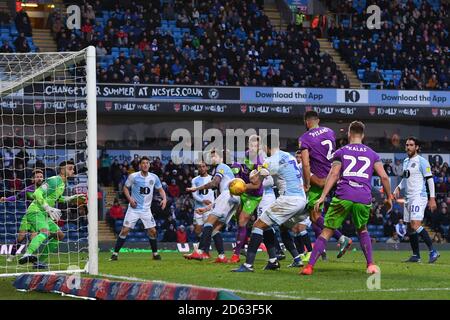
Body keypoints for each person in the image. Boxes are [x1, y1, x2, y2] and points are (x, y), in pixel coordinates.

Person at [301, 121, 393, 275]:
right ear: (363, 135)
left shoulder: (341, 152)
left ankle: (309, 267)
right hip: (363, 196)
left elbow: (334, 174)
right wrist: (389, 197)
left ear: (349, 134)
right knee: (362, 230)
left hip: (344, 195)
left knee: (327, 231)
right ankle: (370, 264)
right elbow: (384, 177)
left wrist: (323, 196)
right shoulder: (372, 153)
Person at [232, 134, 307, 272]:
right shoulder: (289, 156)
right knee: (278, 227)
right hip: (302, 200)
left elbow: (256, 183)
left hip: (288, 200)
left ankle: (248, 265)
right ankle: (281, 259)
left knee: (257, 225)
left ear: (265, 146)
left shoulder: (270, 161)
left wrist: (241, 185)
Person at [299, 111, 352, 258]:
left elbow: (305, 164)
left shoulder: (305, 138)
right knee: (314, 216)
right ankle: (321, 250)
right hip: (332, 175)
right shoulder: (330, 131)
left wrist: (308, 183)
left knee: (315, 216)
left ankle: (341, 238)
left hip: (319, 179)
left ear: (306, 121)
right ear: (318, 120)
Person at [18, 161, 85, 268]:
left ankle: (38, 262)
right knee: (45, 231)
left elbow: (58, 198)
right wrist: (47, 207)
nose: (73, 171)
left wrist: (72, 198)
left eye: (73, 169)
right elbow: (37, 193)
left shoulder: (63, 183)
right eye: (70, 168)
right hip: (35, 210)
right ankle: (27, 254)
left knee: (59, 235)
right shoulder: (54, 180)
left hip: (44, 213)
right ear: (62, 169)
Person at [184, 149, 240, 263]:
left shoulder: (221, 166)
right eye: (211, 157)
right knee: (215, 229)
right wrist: (206, 208)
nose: (212, 158)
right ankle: (222, 256)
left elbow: (214, 184)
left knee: (208, 223)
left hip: (228, 195)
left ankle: (199, 252)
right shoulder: (219, 170)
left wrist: (196, 188)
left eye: (214, 156)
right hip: (233, 199)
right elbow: (219, 198)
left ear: (221, 158)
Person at [110, 156, 167, 261]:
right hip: (134, 209)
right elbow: (125, 188)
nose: (145, 165)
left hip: (146, 210)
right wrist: (130, 199)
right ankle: (115, 254)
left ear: (149, 165)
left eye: (147, 163)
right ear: (140, 165)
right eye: (143, 163)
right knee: (125, 230)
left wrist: (164, 199)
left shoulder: (154, 177)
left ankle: (155, 254)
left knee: (153, 231)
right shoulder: (133, 176)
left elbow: (160, 190)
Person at [393, 137, 439, 263]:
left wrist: (432, 198)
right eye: (407, 145)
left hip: (419, 196)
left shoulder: (422, 161)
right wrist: (398, 187)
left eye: (411, 145)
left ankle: (433, 251)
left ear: (417, 147)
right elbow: (405, 179)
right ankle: (416, 256)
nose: (408, 147)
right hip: (408, 198)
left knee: (415, 224)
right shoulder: (406, 161)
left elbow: (430, 180)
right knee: (409, 227)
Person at [230, 135, 265, 263]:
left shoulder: (259, 163)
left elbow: (256, 185)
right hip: (243, 193)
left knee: (242, 221)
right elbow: (236, 175)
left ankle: (236, 254)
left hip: (254, 196)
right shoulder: (242, 158)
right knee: (239, 223)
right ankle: (241, 247)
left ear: (259, 147)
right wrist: (236, 177)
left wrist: (241, 186)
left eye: (256, 146)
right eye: (251, 145)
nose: (253, 148)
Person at [1, 169, 43, 264]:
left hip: (39, 217)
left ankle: (30, 258)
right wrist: (6, 199)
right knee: (21, 237)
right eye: (37, 177)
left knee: (33, 238)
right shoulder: (28, 189)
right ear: (33, 179)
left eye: (41, 177)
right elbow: (17, 197)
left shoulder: (46, 190)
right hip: (28, 216)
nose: (39, 178)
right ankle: (11, 255)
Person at [190, 161, 215, 243]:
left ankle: (204, 249)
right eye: (200, 167)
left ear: (207, 167)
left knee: (208, 229)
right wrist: (202, 200)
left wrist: (213, 203)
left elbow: (216, 193)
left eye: (203, 166)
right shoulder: (195, 180)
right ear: (198, 168)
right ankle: (201, 247)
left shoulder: (212, 179)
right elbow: (194, 194)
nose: (202, 168)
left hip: (209, 208)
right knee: (197, 230)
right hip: (198, 208)